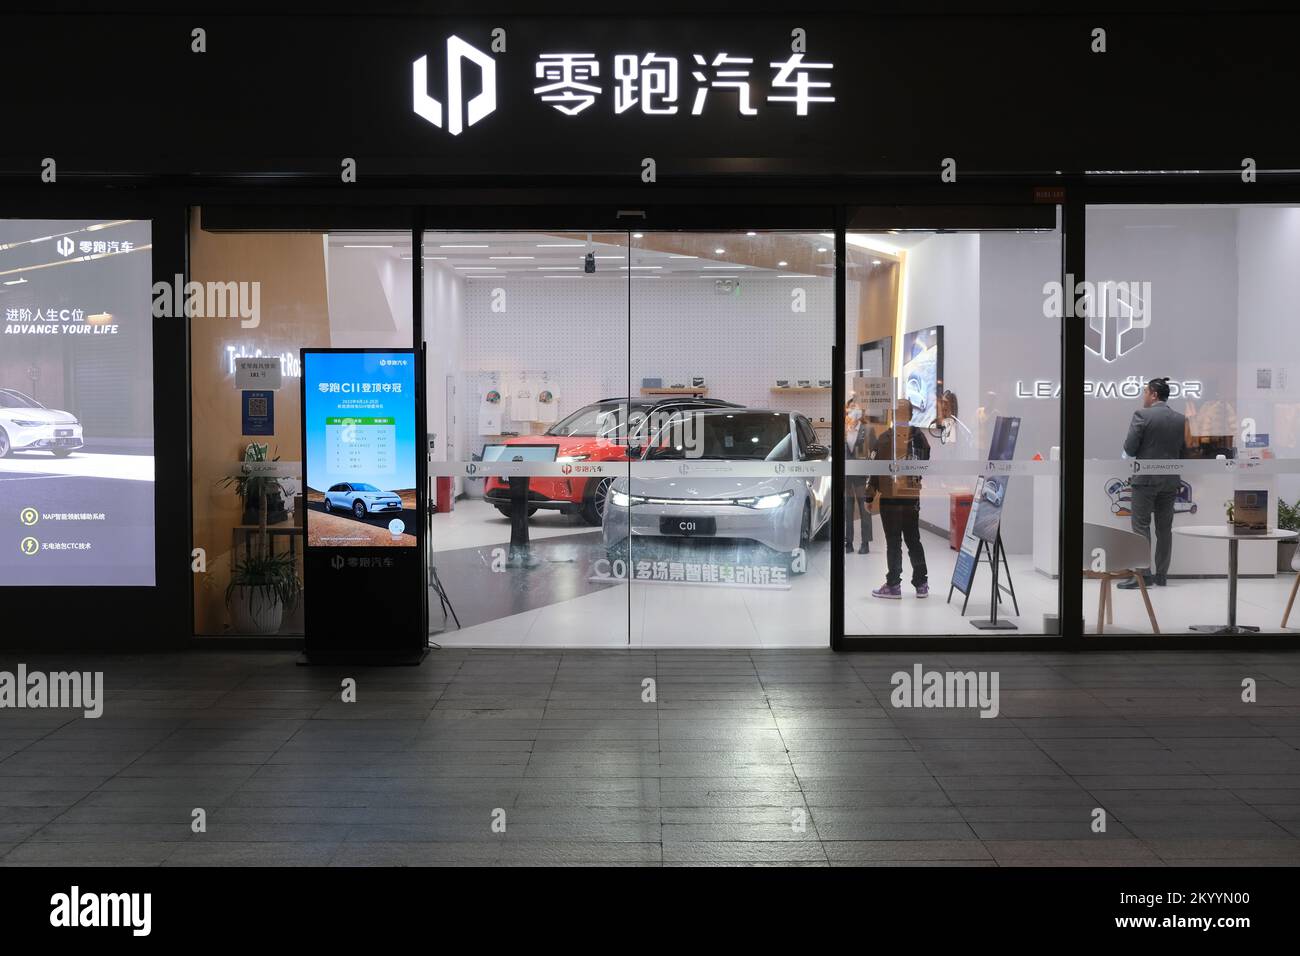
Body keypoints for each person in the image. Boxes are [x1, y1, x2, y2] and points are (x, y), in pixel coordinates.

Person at [1119, 376, 1188, 590]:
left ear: (1154, 394)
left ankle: (1142, 575)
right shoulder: (1180, 419)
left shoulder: (1142, 415)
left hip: (1145, 480)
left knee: (1140, 527)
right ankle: (1162, 576)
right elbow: (1185, 453)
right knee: (1164, 528)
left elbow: (1130, 448)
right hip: (1170, 482)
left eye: (1145, 392)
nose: (1143, 396)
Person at [867, 398, 931, 599]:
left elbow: (874, 471)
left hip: (891, 499)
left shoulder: (885, 439)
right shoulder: (919, 438)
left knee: (893, 542)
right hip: (911, 497)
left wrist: (869, 497)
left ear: (893, 415)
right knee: (913, 540)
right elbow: (925, 462)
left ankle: (893, 585)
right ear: (911, 415)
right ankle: (921, 584)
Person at [844, 398, 874, 554]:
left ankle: (865, 542)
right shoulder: (843, 429)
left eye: (856, 408)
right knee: (847, 509)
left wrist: (872, 475)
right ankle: (848, 541)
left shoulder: (868, 430)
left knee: (864, 509)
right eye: (850, 408)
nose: (853, 411)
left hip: (862, 476)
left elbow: (874, 454)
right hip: (846, 475)